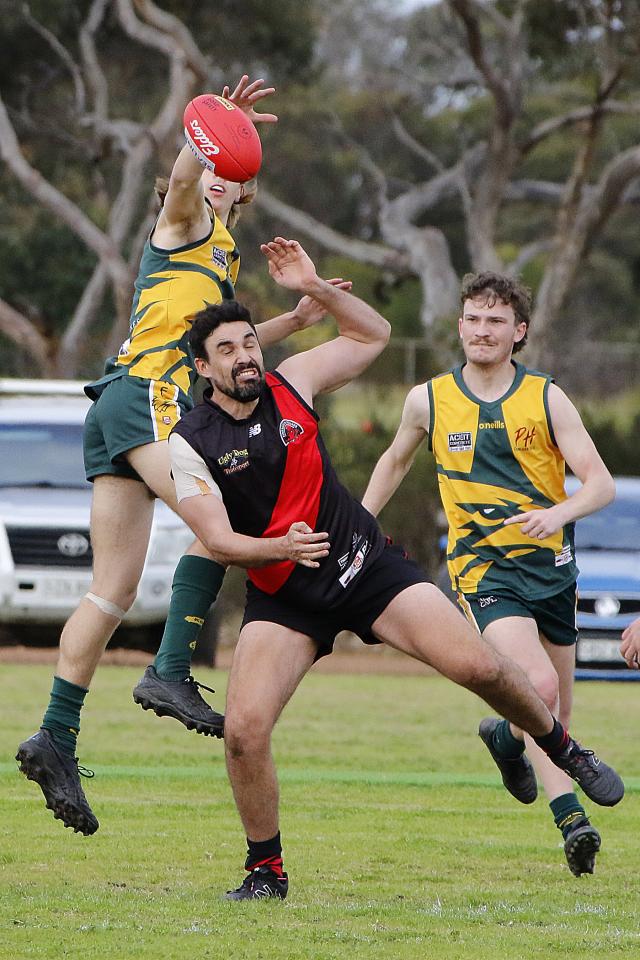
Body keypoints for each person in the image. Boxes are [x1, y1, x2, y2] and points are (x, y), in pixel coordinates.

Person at [167, 239, 623, 900]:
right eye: (229, 350)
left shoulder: (291, 380)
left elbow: (373, 332)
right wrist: (280, 551)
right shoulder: (191, 440)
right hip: (287, 593)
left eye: (249, 343)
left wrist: (316, 288)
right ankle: (266, 870)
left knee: (481, 668)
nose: (245, 357)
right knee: (243, 732)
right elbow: (215, 538)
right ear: (205, 366)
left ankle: (565, 749)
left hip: (364, 565)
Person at [15, 77, 348, 838]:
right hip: (147, 398)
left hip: (114, 408)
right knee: (223, 515)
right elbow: (186, 177)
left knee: (112, 590)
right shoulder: (180, 222)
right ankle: (168, 671)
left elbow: (226, 344)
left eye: (234, 176)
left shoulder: (220, 252)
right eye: (212, 170)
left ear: (246, 191)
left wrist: (295, 319)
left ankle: (55, 737)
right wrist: (209, 126)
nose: (219, 179)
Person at [362, 271, 618, 878]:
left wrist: (557, 512)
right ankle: (572, 821)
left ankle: (505, 740)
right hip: (483, 570)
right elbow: (394, 461)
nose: (482, 330)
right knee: (538, 688)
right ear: (459, 326)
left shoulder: (547, 398)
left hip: (552, 569)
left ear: (518, 332)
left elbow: (601, 484)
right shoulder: (428, 399)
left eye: (496, 321)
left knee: (549, 711)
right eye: (473, 319)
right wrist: (357, 524)